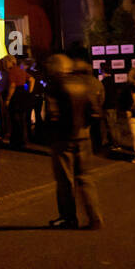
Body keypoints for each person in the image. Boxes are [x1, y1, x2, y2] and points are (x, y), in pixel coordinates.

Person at [44, 54, 104, 229]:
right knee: (86, 178)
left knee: (65, 180)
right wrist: (85, 127)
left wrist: (49, 133)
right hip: (83, 136)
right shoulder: (84, 83)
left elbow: (52, 114)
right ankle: (95, 217)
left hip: (63, 138)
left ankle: (68, 217)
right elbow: (95, 111)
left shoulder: (54, 85)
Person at [1, 54, 35, 149]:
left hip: (15, 96)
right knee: (22, 119)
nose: (4, 65)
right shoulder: (20, 70)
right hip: (23, 95)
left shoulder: (12, 71)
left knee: (14, 119)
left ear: (9, 62)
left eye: (5, 62)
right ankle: (22, 141)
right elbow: (32, 79)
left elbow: (12, 86)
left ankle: (16, 141)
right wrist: (29, 92)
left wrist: (8, 99)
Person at [99, 68, 122, 154]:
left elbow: (102, 96)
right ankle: (115, 143)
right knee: (114, 125)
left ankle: (116, 145)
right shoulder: (113, 81)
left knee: (111, 126)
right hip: (113, 106)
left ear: (103, 71)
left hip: (107, 107)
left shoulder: (104, 82)